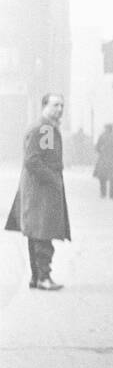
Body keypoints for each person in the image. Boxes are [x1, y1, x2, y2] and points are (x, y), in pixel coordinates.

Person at [5, 92, 70, 290]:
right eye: (55, 105)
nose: (59, 109)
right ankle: (43, 278)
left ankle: (36, 277)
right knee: (43, 232)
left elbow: (40, 158)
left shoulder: (44, 128)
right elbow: (34, 160)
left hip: (35, 189)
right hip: (42, 192)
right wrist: (53, 180)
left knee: (35, 232)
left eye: (61, 105)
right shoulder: (45, 129)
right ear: (45, 106)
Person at [93, 124, 113, 200]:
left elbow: (97, 148)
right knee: (112, 178)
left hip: (104, 159)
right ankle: (112, 195)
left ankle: (103, 193)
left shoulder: (102, 137)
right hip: (112, 160)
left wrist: (101, 151)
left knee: (102, 177)